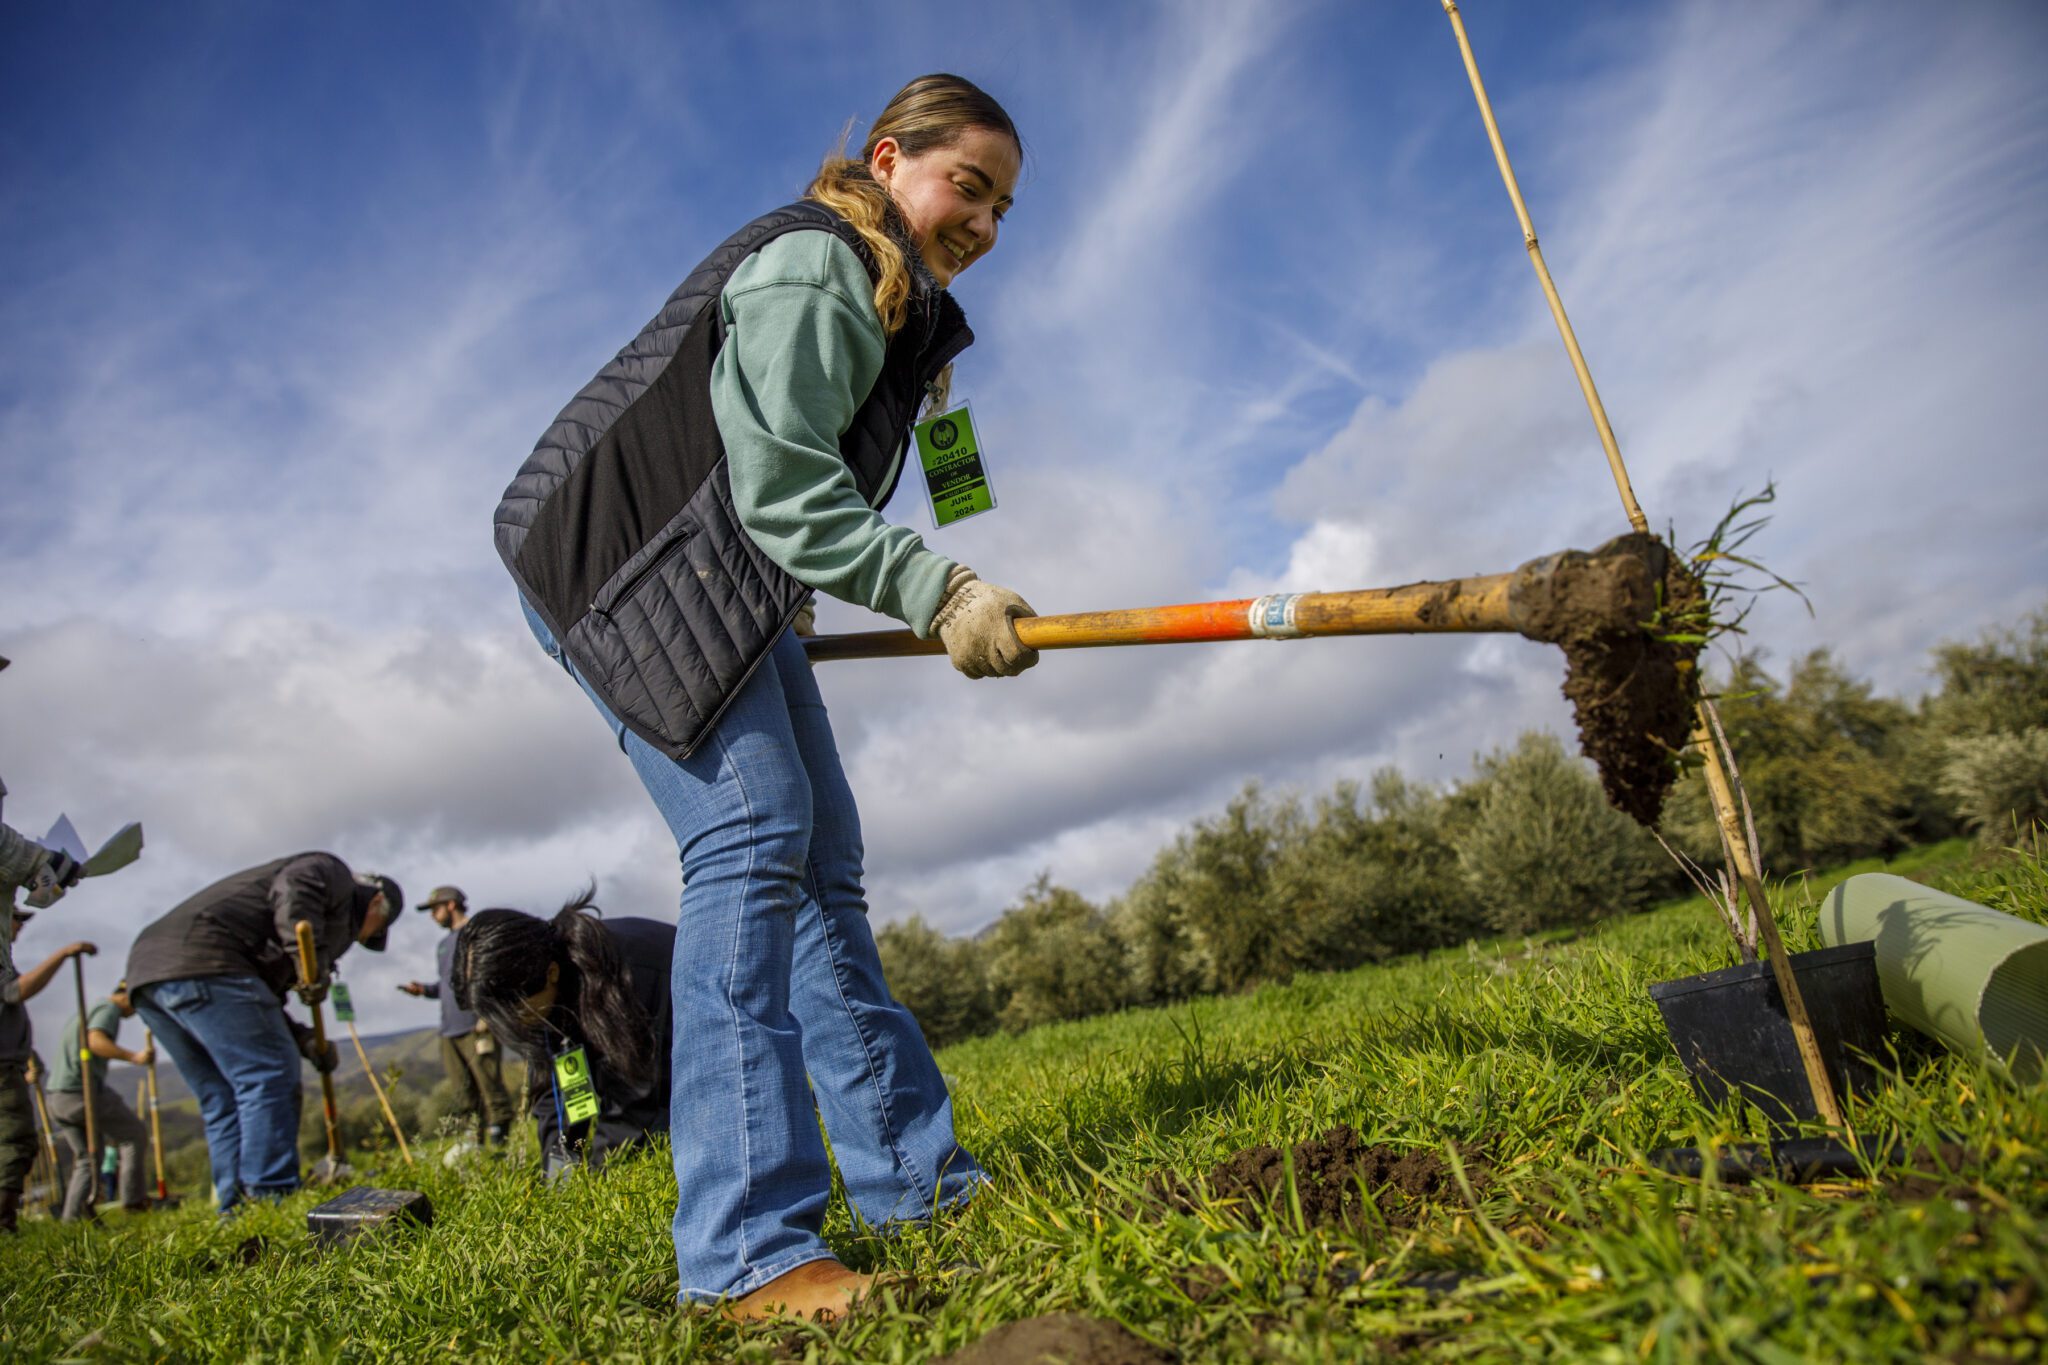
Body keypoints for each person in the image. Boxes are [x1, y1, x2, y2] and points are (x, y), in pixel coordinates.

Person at [493, 73, 1029, 1317]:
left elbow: (777, 505)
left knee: (819, 861)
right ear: (891, 160)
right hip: (620, 574)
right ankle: (747, 1256)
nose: (985, 224)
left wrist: (803, 599)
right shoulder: (817, 267)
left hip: (722, 580)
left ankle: (916, 1179)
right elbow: (781, 487)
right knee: (750, 836)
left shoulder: (899, 306)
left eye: (1004, 207)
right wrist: (937, 590)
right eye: (969, 186)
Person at [123, 856, 401, 1211]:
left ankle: (235, 1207)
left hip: (149, 976)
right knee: (269, 1073)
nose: (364, 938)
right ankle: (269, 1197)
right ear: (377, 903)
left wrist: (304, 1039)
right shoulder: (329, 873)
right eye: (374, 930)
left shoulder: (284, 928)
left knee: (220, 1095)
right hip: (208, 961)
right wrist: (310, 964)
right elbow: (295, 888)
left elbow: (260, 1003)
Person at [449, 892, 672, 1175]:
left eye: (516, 1012)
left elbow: (634, 1092)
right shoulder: (549, 997)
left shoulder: (622, 972)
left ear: (550, 973)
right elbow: (558, 1089)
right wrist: (559, 1166)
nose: (516, 1025)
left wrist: (602, 1173)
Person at [0, 909, 96, 1233]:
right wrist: (63, 954)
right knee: (15, 1142)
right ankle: (3, 1223)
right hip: (3, 1069)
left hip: (11, 1063)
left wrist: (32, 1060)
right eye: (17, 918)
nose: (22, 926)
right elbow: (15, 992)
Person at [399, 885, 513, 1145]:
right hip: (449, 1029)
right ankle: (472, 1145)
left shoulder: (477, 934)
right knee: (463, 1094)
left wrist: (487, 1015)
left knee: (490, 1087)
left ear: (451, 905)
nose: (432, 916)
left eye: (435, 909)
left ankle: (501, 1146)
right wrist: (423, 990)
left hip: (477, 1027)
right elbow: (447, 985)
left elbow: (490, 976)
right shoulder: (443, 945)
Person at [46, 979, 155, 1221]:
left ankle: (72, 1219)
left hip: (57, 1097)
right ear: (126, 995)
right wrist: (134, 1057)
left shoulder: (91, 1009)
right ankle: (134, 1201)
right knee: (133, 1134)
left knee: (87, 1158)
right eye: (136, 1004)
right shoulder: (108, 1010)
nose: (134, 1011)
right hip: (81, 1093)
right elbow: (95, 1041)